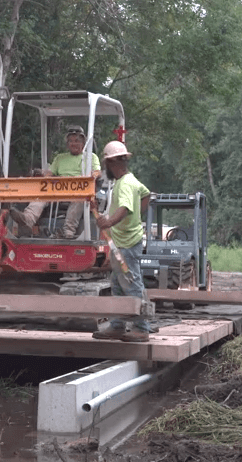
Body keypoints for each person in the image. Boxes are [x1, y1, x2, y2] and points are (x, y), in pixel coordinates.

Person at [91, 140, 152, 342]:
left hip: (127, 243)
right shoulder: (131, 180)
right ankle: (117, 325)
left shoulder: (125, 184)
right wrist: (136, 218)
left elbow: (125, 208)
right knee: (117, 283)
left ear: (111, 163)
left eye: (106, 163)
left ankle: (141, 327)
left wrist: (109, 222)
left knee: (131, 283)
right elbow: (146, 194)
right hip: (123, 242)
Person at [9, 125, 101, 238]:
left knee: (81, 197)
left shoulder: (91, 157)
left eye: (77, 141)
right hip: (58, 188)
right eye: (71, 141)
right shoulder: (60, 158)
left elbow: (97, 172)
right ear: (67, 144)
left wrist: (92, 175)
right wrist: (41, 173)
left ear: (83, 142)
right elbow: (50, 173)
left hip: (78, 188)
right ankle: (28, 219)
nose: (74, 144)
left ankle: (68, 231)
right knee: (41, 193)